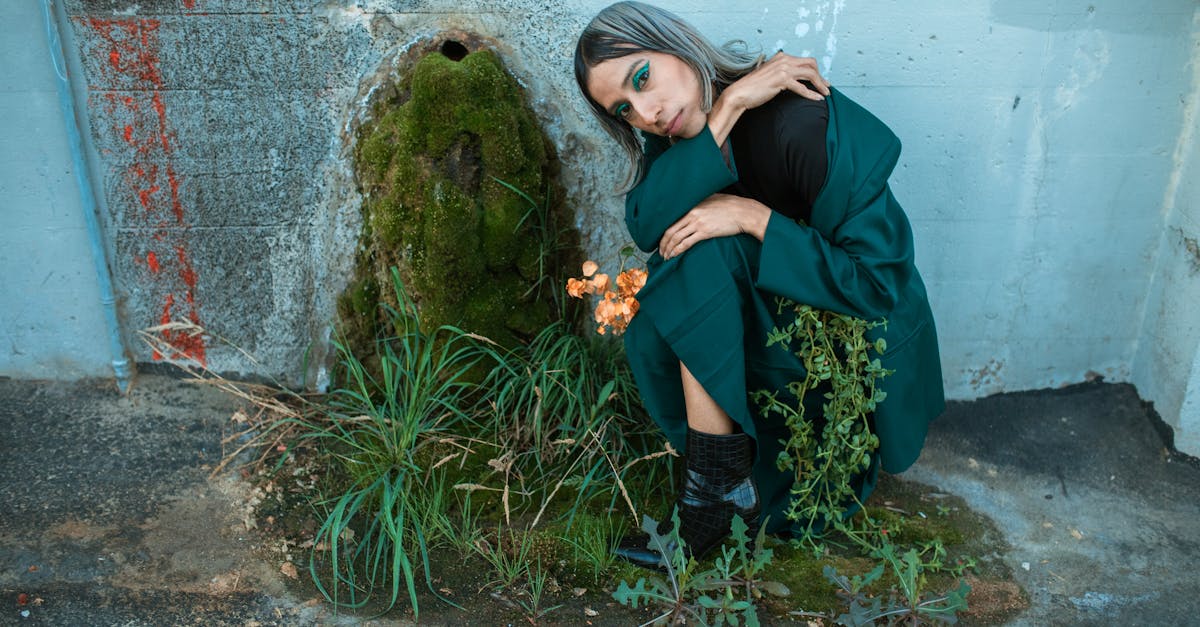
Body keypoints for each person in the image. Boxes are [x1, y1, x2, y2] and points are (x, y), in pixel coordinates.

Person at [574, 1, 944, 568]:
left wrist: (753, 218)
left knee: (702, 254)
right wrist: (729, 106)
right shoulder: (682, 133)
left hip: (853, 359)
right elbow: (648, 224)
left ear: (675, 43)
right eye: (624, 109)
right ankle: (720, 485)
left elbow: (878, 288)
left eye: (641, 77)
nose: (645, 112)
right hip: (784, 338)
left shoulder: (799, 123)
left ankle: (715, 492)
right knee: (669, 289)